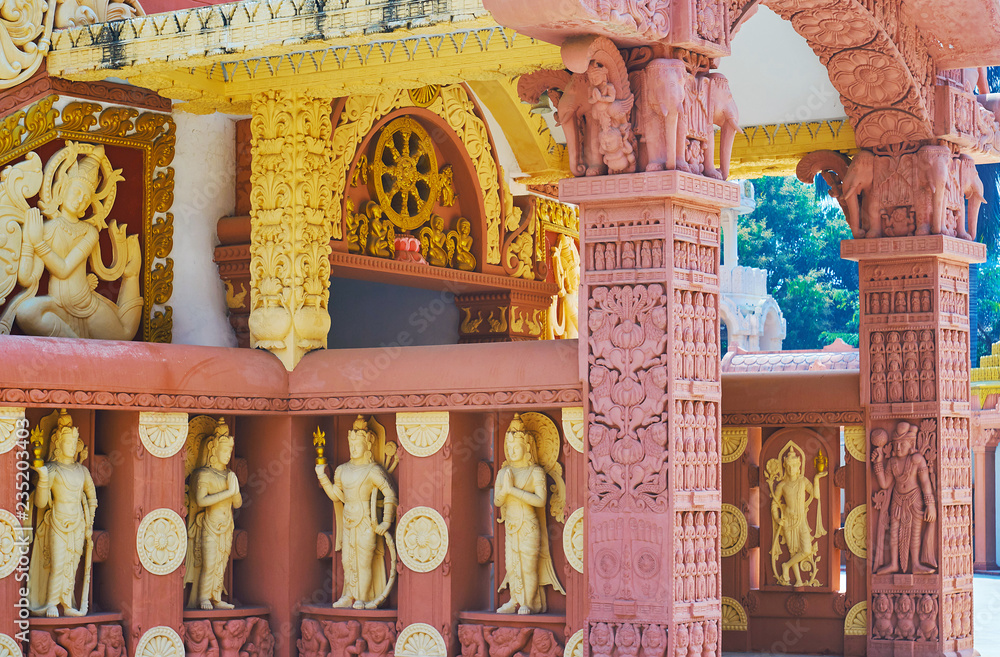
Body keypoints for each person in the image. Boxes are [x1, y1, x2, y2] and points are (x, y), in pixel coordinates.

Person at [13, 143, 142, 340]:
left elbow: (63, 269)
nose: (80, 199)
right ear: (63, 189)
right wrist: (29, 241)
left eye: (86, 197)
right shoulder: (46, 228)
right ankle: (75, 345)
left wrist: (38, 242)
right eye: (76, 191)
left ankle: (132, 276)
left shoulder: (89, 232)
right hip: (57, 306)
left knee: (124, 337)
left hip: (86, 306)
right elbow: (26, 278)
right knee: (25, 312)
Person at [315, 416, 397, 609]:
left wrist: (385, 521)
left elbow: (389, 493)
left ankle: (362, 597)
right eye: (350, 444)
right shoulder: (342, 470)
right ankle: (349, 595)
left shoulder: (372, 470)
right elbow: (336, 495)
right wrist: (322, 476)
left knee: (363, 560)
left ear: (367, 446)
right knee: (347, 560)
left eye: (357, 444)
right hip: (348, 518)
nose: (353, 448)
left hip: (366, 520)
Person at [29, 410, 97, 617]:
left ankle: (67, 604)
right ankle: (50, 604)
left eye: (74, 442)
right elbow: (41, 503)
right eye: (67, 442)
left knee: (72, 566)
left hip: (78, 524)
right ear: (58, 445)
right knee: (57, 565)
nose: (71, 446)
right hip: (58, 522)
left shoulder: (82, 471)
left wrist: (89, 524)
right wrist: (42, 478)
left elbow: (92, 498)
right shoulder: (52, 469)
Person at [494, 414, 564, 614]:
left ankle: (529, 602)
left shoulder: (535, 472)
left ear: (527, 447)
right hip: (511, 524)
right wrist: (503, 492)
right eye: (509, 447)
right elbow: (497, 501)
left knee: (528, 566)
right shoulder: (503, 473)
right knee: (511, 566)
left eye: (516, 447)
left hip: (529, 525)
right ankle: (514, 600)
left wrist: (511, 491)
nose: (512, 451)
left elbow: (540, 501)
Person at [186, 419, 242, 609]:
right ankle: (203, 598)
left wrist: (235, 490)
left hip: (227, 524)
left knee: (221, 563)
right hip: (210, 524)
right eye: (224, 451)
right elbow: (201, 501)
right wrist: (228, 492)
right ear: (213, 450)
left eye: (229, 452)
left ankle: (216, 597)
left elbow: (238, 503)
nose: (228, 456)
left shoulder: (229, 475)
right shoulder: (204, 475)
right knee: (209, 564)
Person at [873, 421, 937, 574]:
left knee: (915, 533)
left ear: (911, 444)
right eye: (896, 444)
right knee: (894, 532)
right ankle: (894, 563)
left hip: (915, 500)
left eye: (902, 444)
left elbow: (925, 483)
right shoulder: (893, 462)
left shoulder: (917, 459)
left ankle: (915, 564)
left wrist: (930, 505)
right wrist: (879, 462)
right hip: (897, 500)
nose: (899, 447)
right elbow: (884, 483)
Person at [769, 447, 826, 587]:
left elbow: (816, 495)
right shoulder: (782, 485)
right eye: (788, 466)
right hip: (788, 520)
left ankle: (786, 566)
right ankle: (799, 580)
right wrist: (777, 519)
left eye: (793, 466)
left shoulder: (803, 481)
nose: (790, 469)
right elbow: (774, 505)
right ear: (785, 467)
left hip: (801, 520)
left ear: (799, 466)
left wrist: (816, 479)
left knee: (806, 550)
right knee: (792, 551)